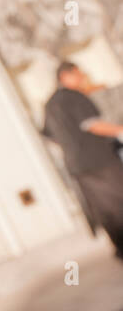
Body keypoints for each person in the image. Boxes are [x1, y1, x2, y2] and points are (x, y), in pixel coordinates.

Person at [43, 61, 123, 256]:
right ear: (65, 76)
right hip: (99, 160)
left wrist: (72, 145)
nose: (82, 79)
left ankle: (120, 248)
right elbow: (92, 124)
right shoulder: (75, 97)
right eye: (79, 75)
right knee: (118, 200)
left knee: (103, 207)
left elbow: (49, 135)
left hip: (76, 165)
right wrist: (120, 130)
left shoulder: (50, 104)